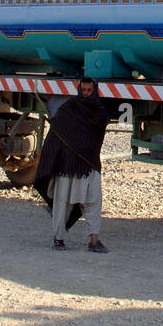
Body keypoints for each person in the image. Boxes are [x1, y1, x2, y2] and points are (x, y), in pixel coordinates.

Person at [34, 77, 111, 252]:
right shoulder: (68, 109)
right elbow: (55, 138)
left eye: (89, 90)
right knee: (62, 204)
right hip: (66, 167)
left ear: (95, 90)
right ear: (78, 89)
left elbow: (95, 138)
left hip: (88, 166)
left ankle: (94, 241)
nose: (85, 93)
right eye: (83, 90)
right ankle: (58, 239)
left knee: (93, 203)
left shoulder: (99, 112)